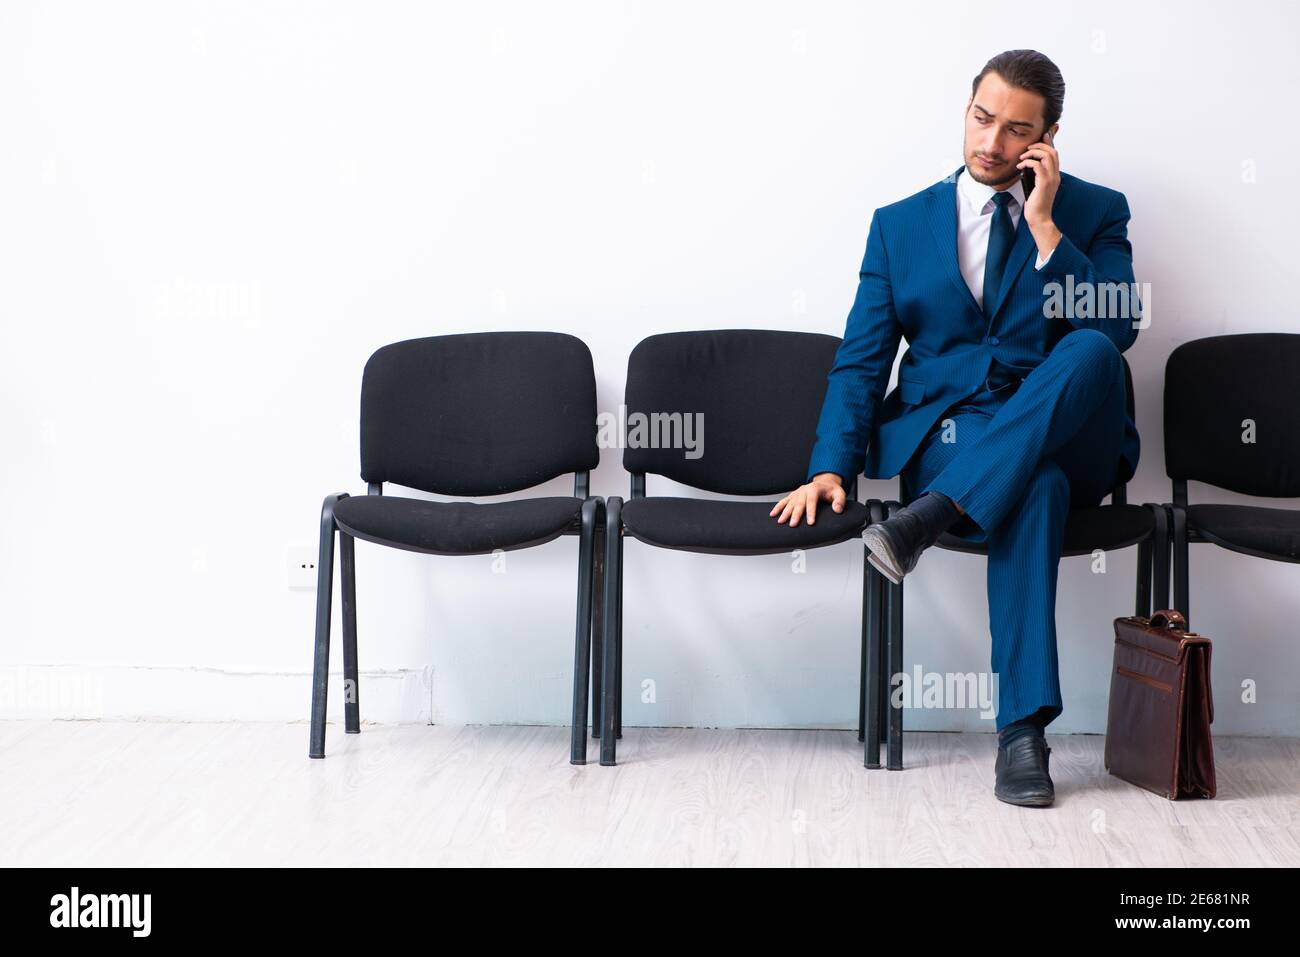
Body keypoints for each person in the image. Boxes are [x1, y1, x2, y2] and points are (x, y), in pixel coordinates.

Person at [770, 49, 1141, 807]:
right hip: (954, 440)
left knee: (1093, 345)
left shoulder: (1096, 210)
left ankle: (926, 523)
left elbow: (1123, 322)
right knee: (1032, 485)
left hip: (1071, 424)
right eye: (982, 118)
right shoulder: (899, 227)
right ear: (966, 106)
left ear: (1048, 137)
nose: (992, 143)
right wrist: (829, 465)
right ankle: (1023, 736)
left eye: (1016, 130)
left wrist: (1043, 226)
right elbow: (861, 361)